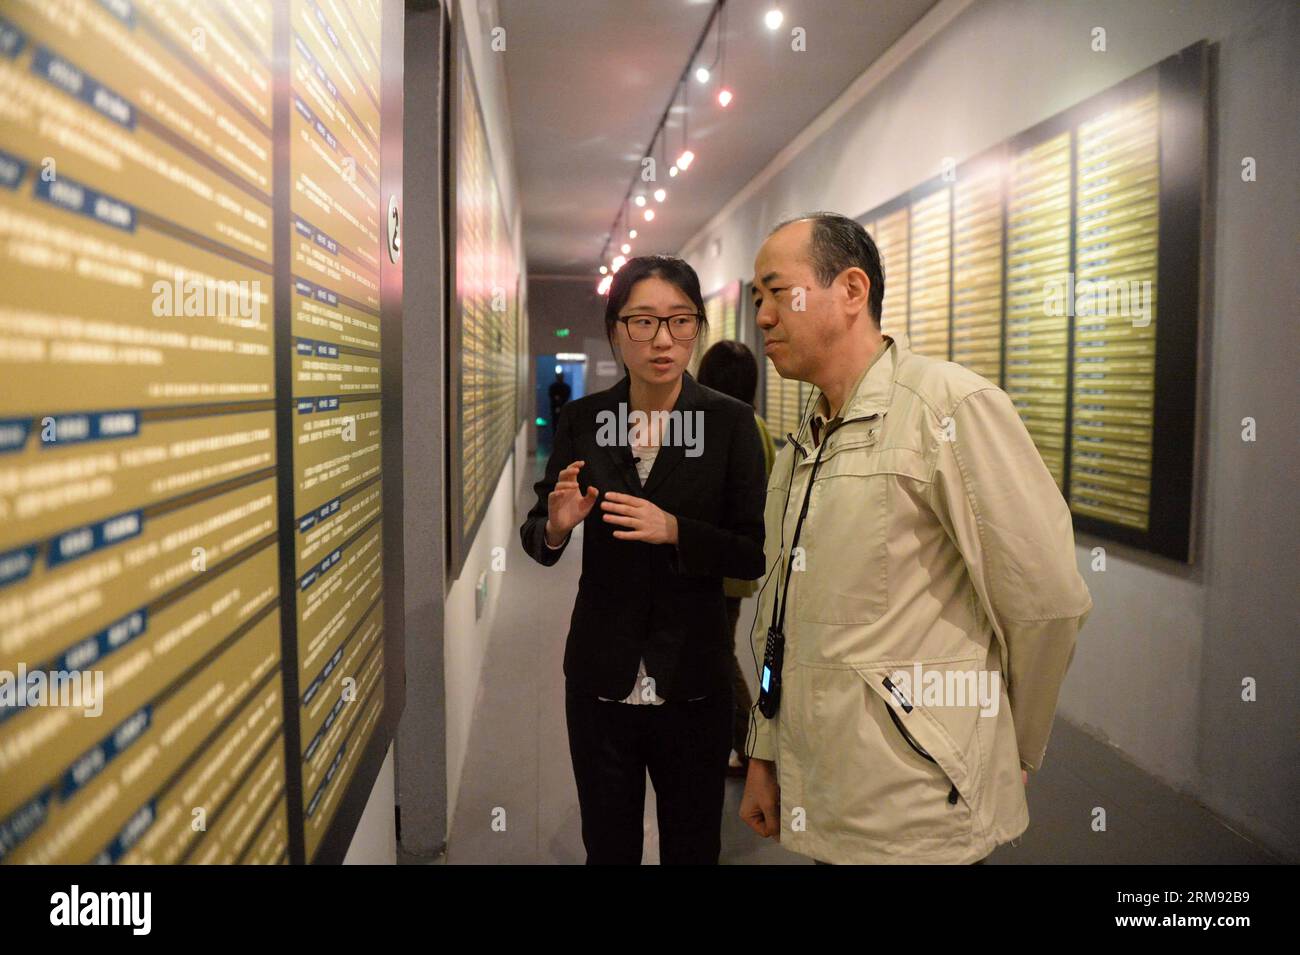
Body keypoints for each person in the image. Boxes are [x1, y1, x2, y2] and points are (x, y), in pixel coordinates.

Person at [739, 213, 1092, 864]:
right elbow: (777, 621)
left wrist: (1007, 744)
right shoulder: (805, 445)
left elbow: (1046, 599)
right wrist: (762, 748)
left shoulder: (947, 410)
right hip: (828, 794)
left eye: (775, 290)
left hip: (919, 808)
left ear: (851, 290)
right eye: (756, 298)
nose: (761, 315)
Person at [520, 254, 767, 864]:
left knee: (691, 846)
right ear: (616, 330)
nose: (663, 340)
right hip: (602, 679)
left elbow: (751, 552)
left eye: (681, 322)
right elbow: (536, 535)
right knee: (608, 847)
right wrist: (554, 528)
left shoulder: (729, 424)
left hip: (693, 681)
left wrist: (676, 530)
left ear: (697, 328)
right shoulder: (584, 421)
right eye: (643, 322)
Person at [694, 341, 776, 776]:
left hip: (718, 567)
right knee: (717, 652)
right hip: (735, 565)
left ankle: (752, 744)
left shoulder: (728, 430)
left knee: (718, 656)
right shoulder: (757, 426)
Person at [548, 369, 571, 444]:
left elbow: (553, 397)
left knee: (556, 426)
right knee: (560, 426)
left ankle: (557, 441)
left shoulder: (553, 387)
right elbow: (565, 398)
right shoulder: (566, 387)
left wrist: (557, 400)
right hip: (562, 409)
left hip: (557, 409)